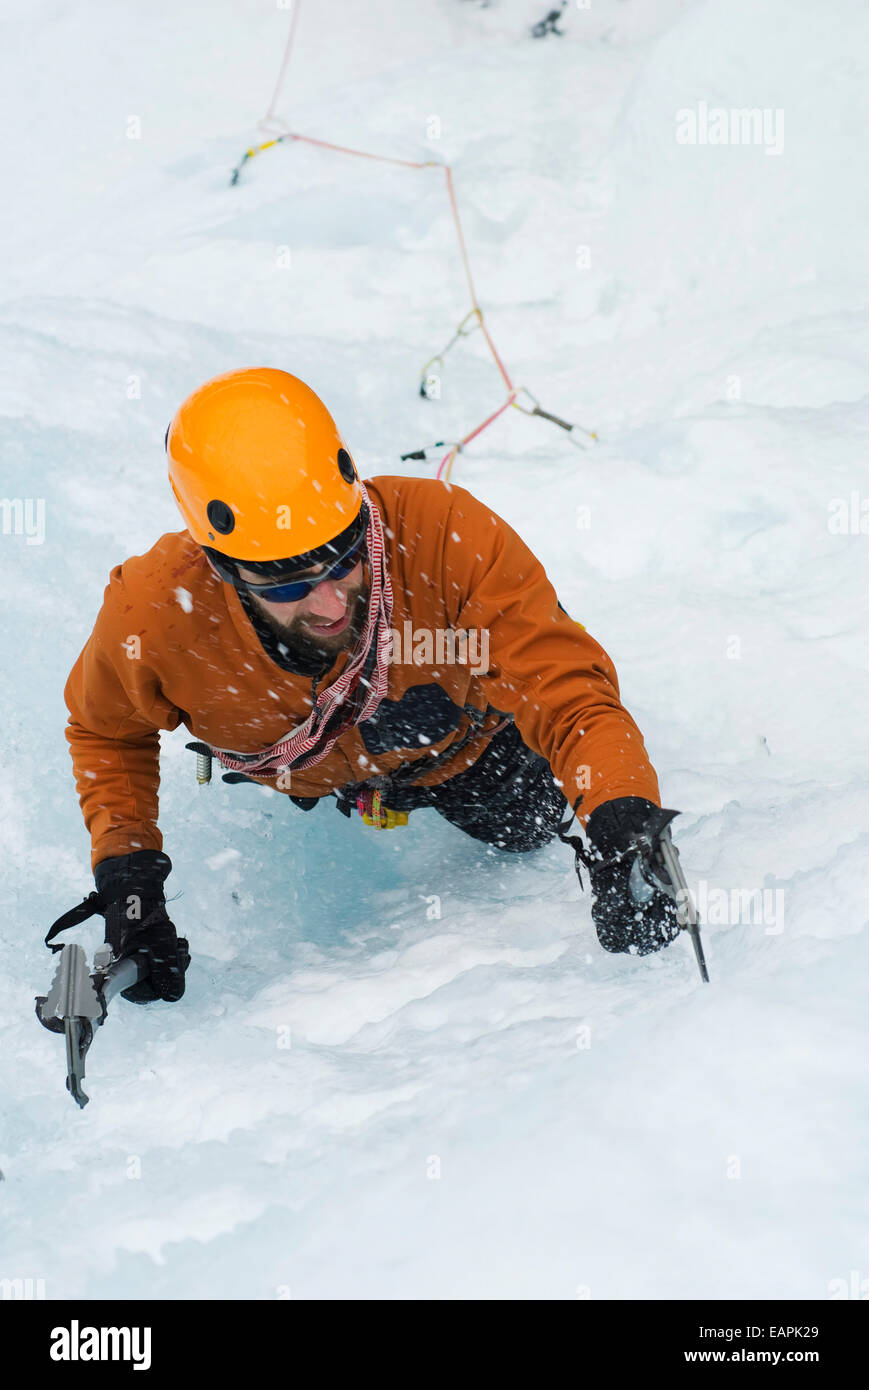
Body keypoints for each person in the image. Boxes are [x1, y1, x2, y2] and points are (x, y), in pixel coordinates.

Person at [59, 367, 681, 1003]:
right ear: (223, 566)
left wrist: (620, 813)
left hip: (461, 750)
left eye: (344, 559)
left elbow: (567, 692)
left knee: (528, 824)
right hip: (307, 762)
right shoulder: (156, 613)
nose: (328, 603)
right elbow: (105, 732)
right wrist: (128, 883)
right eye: (288, 585)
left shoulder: (443, 537)